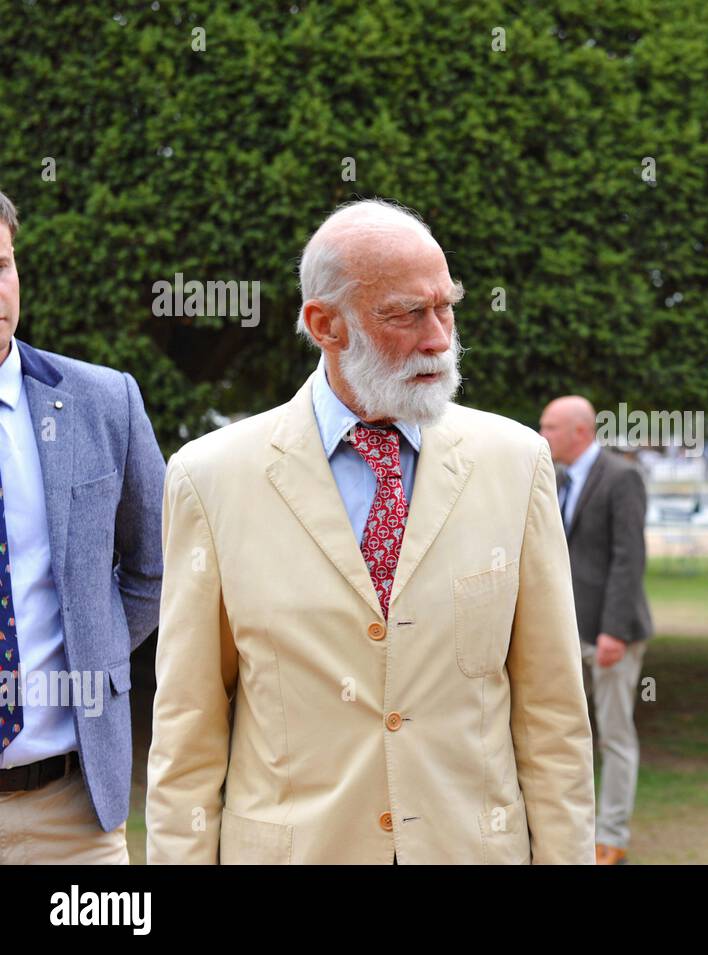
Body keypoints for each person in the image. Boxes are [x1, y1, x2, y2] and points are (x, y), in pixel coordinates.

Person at [146, 199, 594, 864]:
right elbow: (188, 730)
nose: (440, 337)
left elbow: (553, 716)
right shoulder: (211, 478)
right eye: (407, 313)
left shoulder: (516, 462)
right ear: (324, 324)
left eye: (447, 306)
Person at [0, 188, 165, 863]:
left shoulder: (102, 401)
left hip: (74, 817)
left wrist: (88, 648)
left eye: (2, 265)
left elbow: (157, 563)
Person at [540, 396, 652, 865]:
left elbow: (629, 558)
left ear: (580, 432)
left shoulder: (621, 477)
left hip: (612, 634)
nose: (541, 435)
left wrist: (613, 632)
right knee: (563, 734)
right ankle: (574, 834)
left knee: (614, 737)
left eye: (549, 427)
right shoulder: (553, 479)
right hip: (566, 632)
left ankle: (611, 838)